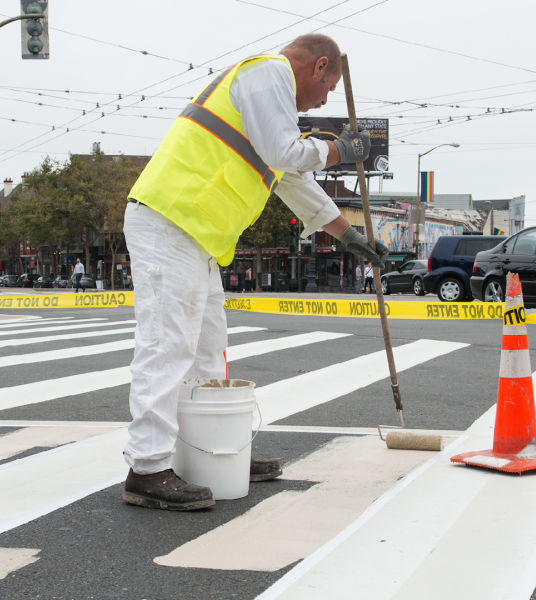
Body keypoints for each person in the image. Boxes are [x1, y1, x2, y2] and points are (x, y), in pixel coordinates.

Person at [121, 33, 389, 511]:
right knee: (168, 345)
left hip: (195, 233)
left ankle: (214, 454)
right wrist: (341, 150)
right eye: (328, 88)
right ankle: (147, 468)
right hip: (170, 220)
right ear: (319, 66)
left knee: (207, 353)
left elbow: (295, 183)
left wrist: (348, 235)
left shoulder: (272, 112)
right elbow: (290, 154)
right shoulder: (267, 73)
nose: (325, 99)